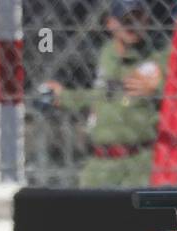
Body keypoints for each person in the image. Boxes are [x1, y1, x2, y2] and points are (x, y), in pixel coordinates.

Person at [40, 0, 168, 188]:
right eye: (125, 19)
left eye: (137, 18)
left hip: (139, 161)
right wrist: (64, 96)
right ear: (110, 23)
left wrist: (160, 87)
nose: (132, 25)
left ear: (147, 21)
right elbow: (99, 95)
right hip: (99, 162)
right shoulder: (105, 53)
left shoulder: (160, 54)